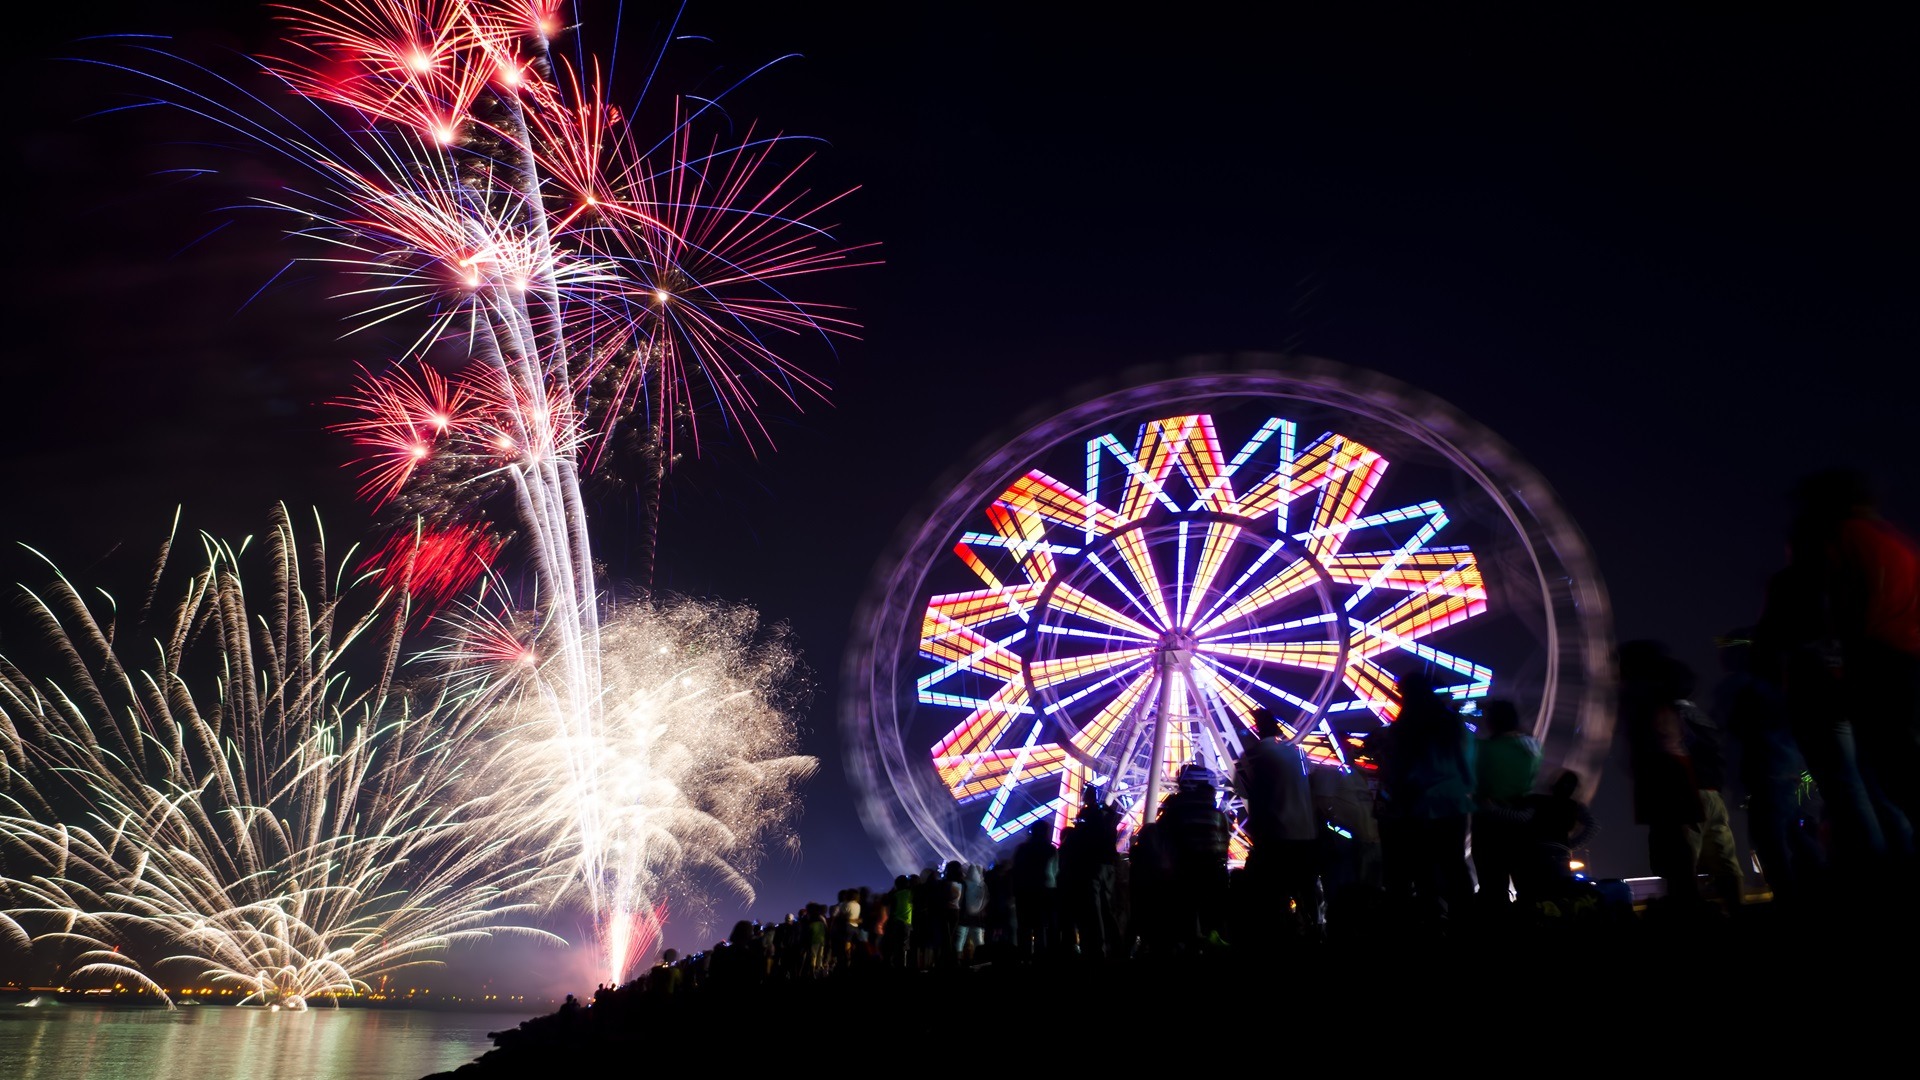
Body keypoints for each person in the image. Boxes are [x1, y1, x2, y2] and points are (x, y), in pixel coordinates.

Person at [1381, 674, 1477, 925]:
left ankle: (1430, 925)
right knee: (1455, 866)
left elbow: (1397, 770)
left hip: (1419, 805)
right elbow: (1467, 760)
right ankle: (1465, 923)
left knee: (1423, 871)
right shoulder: (1452, 722)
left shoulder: (1403, 726)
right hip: (1454, 802)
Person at [1619, 642, 1704, 908]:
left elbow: (1642, 736)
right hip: (1671, 766)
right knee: (1674, 836)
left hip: (1660, 769)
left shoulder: (1640, 696)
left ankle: (1683, 899)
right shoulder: (1660, 694)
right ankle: (1685, 896)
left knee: (1669, 838)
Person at [1234, 708, 1319, 940]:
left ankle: (1277, 937)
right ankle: (1316, 931)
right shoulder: (1297, 753)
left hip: (1276, 834)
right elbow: (1311, 782)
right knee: (1306, 890)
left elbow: (1242, 790)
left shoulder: (1255, 755)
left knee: (1269, 893)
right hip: (1306, 833)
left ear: (1256, 728)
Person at [1679, 685, 1744, 909]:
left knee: (1683, 860)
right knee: (1724, 858)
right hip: (1713, 792)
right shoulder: (1702, 718)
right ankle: (1737, 909)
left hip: (1689, 792)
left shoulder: (1671, 716)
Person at [1472, 699, 1540, 912]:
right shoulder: (1533, 749)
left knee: (1492, 883)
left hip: (1489, 821)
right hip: (1522, 818)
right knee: (1526, 881)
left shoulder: (1484, 749)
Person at [1157, 763, 1233, 948]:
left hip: (1186, 866)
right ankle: (1212, 938)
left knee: (1187, 908)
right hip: (1213, 866)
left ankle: (1190, 942)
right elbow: (1225, 838)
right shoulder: (1216, 814)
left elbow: (1164, 835)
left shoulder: (1176, 809)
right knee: (1212, 908)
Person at [1504, 769, 1599, 903]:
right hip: (1561, 858)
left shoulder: (1537, 800)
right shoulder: (1574, 806)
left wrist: (1491, 809)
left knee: (1533, 898)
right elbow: (1593, 826)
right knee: (1558, 898)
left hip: (1535, 856)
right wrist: (1570, 845)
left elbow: (1520, 817)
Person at [1058, 787, 1120, 958]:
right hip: (1108, 863)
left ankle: (1096, 946)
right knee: (1107, 908)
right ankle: (1114, 944)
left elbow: (1081, 839)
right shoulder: (1106, 817)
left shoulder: (1087, 817)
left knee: (1094, 909)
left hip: (1092, 865)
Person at [1012, 826, 1059, 958]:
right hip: (1045, 890)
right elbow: (1056, 871)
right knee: (1041, 926)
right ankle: (1041, 956)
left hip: (1024, 891)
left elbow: (1016, 869)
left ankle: (1024, 955)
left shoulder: (1022, 849)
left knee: (1024, 926)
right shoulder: (1051, 849)